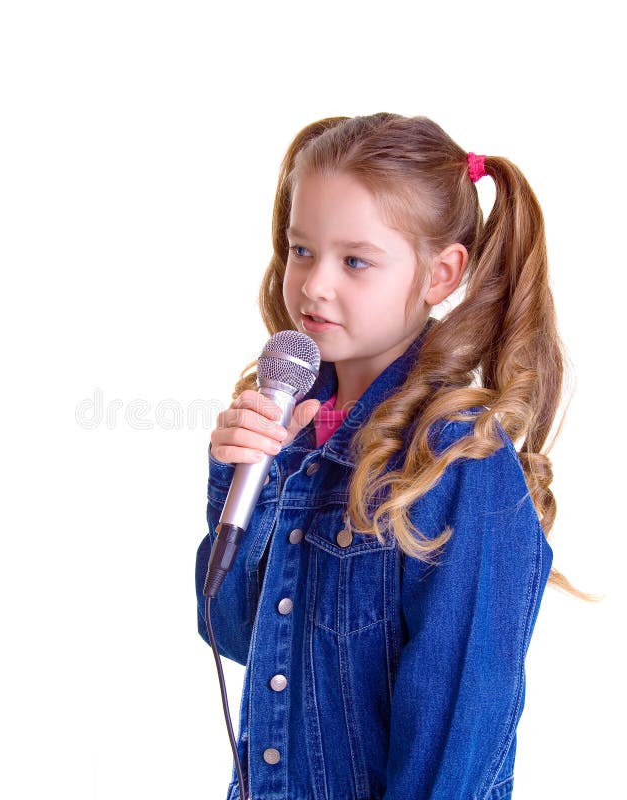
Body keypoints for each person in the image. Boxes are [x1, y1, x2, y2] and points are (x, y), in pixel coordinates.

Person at [195, 113, 580, 800]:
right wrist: (237, 473)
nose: (312, 285)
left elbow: (456, 741)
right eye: (302, 250)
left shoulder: (458, 458)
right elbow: (227, 628)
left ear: (441, 273)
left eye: (354, 261)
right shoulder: (287, 429)